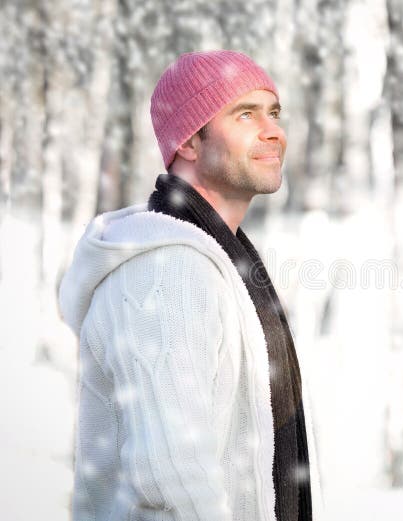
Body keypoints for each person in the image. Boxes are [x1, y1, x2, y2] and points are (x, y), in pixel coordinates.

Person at [58, 50, 320, 521]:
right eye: (246, 114)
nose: (274, 130)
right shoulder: (166, 271)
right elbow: (172, 484)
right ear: (189, 142)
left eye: (275, 112)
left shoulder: (220, 260)